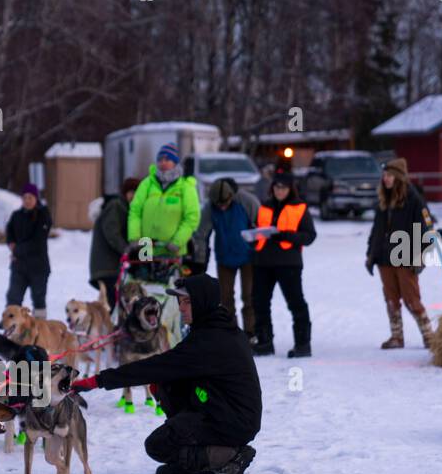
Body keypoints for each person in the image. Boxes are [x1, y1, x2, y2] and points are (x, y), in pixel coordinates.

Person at [71, 274, 260, 474]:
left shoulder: (211, 340)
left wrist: (96, 381)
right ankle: (199, 458)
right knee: (167, 382)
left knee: (158, 445)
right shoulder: (216, 328)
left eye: (187, 301)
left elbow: (156, 366)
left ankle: (229, 455)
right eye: (180, 301)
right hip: (225, 411)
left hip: (234, 422)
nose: (181, 308)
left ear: (202, 301)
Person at [127, 142, 201, 343]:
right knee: (143, 286)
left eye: (168, 159)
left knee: (171, 292)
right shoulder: (147, 183)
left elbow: (192, 217)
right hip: (146, 245)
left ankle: (173, 330)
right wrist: (136, 237)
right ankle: (140, 328)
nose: (163, 162)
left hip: (172, 249)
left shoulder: (185, 186)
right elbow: (135, 211)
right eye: (160, 159)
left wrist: (177, 241)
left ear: (175, 162)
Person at [366, 157, 434, 349]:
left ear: (398, 177)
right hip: (384, 257)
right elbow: (377, 229)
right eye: (384, 175)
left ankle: (429, 335)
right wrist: (371, 253)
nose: (386, 179)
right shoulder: (383, 200)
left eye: (389, 175)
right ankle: (397, 336)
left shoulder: (413, 199)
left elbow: (426, 229)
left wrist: (419, 254)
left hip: (405, 256)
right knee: (390, 298)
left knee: (411, 298)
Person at [251, 171, 315, 357]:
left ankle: (303, 344)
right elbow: (258, 226)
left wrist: (285, 235)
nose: (279, 191)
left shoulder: (300, 207)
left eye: (283, 188)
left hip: (289, 263)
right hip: (263, 261)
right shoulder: (264, 206)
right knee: (260, 303)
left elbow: (309, 236)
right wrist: (254, 234)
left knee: (296, 303)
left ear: (290, 189)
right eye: (277, 187)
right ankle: (264, 342)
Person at [194, 176, 259, 336]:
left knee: (249, 297)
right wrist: (200, 260)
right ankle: (232, 333)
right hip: (224, 258)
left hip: (248, 257)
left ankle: (251, 332)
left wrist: (261, 253)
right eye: (219, 205)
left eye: (225, 203)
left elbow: (261, 226)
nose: (222, 207)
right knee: (225, 298)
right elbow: (201, 234)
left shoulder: (247, 201)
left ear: (232, 196)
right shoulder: (209, 208)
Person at [89, 177, 138, 310]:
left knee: (111, 302)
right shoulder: (117, 205)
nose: (133, 196)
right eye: (131, 192)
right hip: (106, 265)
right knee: (110, 303)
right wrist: (126, 249)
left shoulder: (125, 208)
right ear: (125, 193)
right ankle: (106, 329)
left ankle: (107, 327)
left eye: (137, 192)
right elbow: (111, 232)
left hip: (109, 265)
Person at [4, 183, 52, 315]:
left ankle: (40, 330)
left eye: (30, 197)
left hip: (38, 267)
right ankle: (12, 329)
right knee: (13, 298)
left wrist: (16, 250)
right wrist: (11, 244)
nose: (27, 200)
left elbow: (38, 241)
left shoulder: (43, 215)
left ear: (36, 198)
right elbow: (9, 233)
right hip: (19, 266)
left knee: (38, 300)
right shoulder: (17, 215)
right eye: (24, 197)